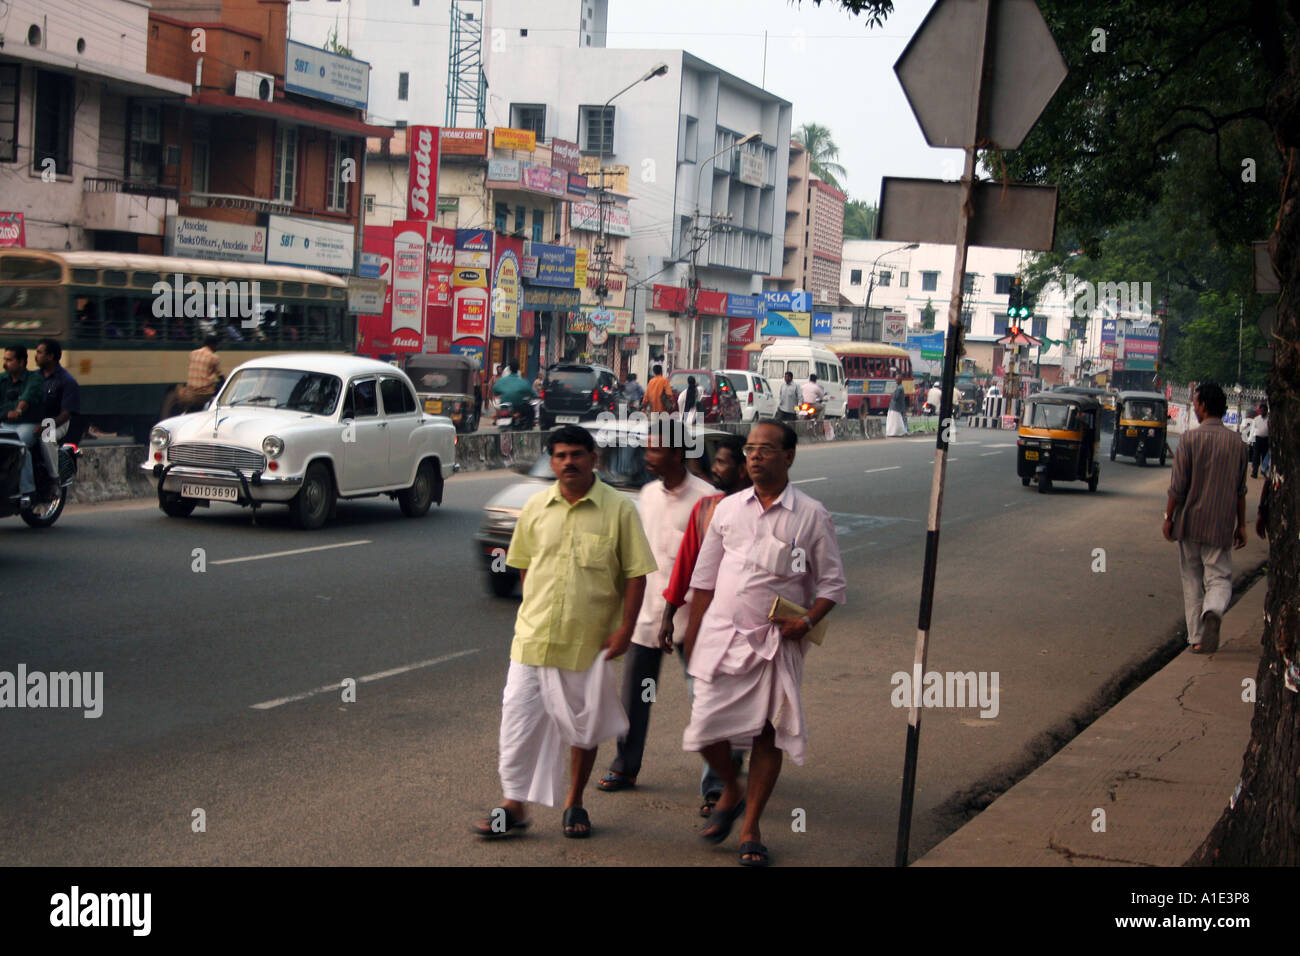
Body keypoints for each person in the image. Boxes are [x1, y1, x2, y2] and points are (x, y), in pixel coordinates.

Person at [473, 425, 656, 839]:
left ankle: (575, 802)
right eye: (560, 455)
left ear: (594, 459)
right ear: (552, 462)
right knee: (518, 720)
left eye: (576, 453)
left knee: (583, 726)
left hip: (588, 643)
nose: (568, 462)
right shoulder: (536, 507)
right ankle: (513, 804)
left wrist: (626, 628)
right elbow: (522, 565)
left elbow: (636, 575)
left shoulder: (620, 510)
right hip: (533, 637)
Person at [682, 421, 846, 866]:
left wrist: (808, 620)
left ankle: (751, 826)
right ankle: (730, 788)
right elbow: (704, 580)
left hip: (778, 641)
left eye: (765, 449)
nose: (754, 456)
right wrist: (692, 636)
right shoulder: (728, 510)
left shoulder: (811, 515)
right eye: (750, 449)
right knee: (702, 729)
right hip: (722, 634)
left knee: (768, 734)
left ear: (789, 456)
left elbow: (832, 585)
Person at [596, 423, 715, 793]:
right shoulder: (646, 495)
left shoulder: (708, 498)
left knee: (707, 700)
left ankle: (718, 784)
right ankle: (626, 766)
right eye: (646, 449)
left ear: (678, 454)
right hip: (647, 617)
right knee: (637, 696)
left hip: (694, 620)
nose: (647, 456)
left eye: (655, 450)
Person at [659, 433, 753, 816]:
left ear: (744, 468)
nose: (715, 469)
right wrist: (670, 615)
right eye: (715, 462)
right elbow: (687, 566)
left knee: (744, 709)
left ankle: (733, 775)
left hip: (750, 633)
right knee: (706, 705)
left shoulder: (770, 511)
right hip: (704, 627)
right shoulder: (706, 509)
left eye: (723, 462)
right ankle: (719, 786)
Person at [1162, 383, 1249, 655]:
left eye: (1196, 402)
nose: (1195, 407)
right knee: (1219, 578)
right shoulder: (1238, 444)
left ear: (1202, 406)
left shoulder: (1188, 440)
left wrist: (1168, 516)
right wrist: (1241, 524)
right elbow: (1239, 491)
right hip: (1220, 523)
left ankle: (1197, 638)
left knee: (1191, 579)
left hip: (1189, 522)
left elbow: (1177, 487)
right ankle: (1213, 610)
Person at [34, 339, 80, 497]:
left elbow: (65, 414)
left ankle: (54, 480)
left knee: (46, 438)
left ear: (51, 356)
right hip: (34, 421)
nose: (36, 356)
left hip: (57, 422)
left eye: (40, 352)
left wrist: (47, 426)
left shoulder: (67, 381)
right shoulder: (33, 377)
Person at [1, 346, 43, 498]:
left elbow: (27, 397)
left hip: (28, 424)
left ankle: (27, 491)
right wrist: (6, 414)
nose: (5, 363)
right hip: (5, 425)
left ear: (21, 362)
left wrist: (18, 411)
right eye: (5, 359)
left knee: (19, 446)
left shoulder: (34, 379)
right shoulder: (2, 379)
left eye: (9, 360)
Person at [185, 334, 223, 410]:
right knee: (219, 391)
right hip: (204, 393)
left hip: (190, 391)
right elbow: (220, 375)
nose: (217, 348)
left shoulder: (193, 353)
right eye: (216, 345)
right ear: (212, 345)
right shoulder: (213, 357)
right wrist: (224, 381)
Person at [886, 372, 908, 437]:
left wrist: (892, 395)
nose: (895, 380)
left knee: (894, 421)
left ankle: (893, 432)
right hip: (896, 407)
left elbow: (895, 397)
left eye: (896, 379)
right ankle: (897, 432)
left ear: (899, 380)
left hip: (895, 407)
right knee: (896, 421)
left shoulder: (899, 388)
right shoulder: (900, 387)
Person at [1250, 402, 1269, 478]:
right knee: (1256, 456)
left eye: (1264, 410)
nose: (1263, 412)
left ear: (1267, 411)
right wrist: (1251, 440)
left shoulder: (1269, 419)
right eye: (1261, 410)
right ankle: (1254, 472)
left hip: (1266, 439)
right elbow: (1252, 430)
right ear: (1260, 411)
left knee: (1265, 457)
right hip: (1257, 439)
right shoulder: (1256, 419)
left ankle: (1264, 471)